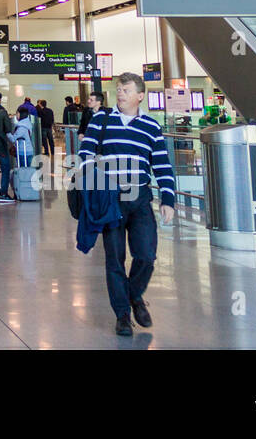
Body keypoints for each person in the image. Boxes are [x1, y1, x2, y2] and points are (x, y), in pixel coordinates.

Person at [78, 72, 176, 337]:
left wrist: (168, 199)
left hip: (140, 198)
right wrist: (94, 177)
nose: (120, 93)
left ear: (140, 96)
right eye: (119, 89)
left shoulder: (151, 126)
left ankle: (135, 296)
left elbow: (163, 165)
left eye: (126, 90)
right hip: (111, 199)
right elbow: (85, 152)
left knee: (146, 255)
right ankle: (122, 315)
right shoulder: (102, 119)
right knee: (115, 259)